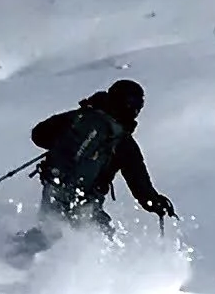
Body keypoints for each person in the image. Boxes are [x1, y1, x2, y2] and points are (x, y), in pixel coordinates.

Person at [27, 77, 175, 233]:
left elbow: (39, 135)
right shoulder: (123, 141)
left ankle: (21, 246)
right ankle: (29, 246)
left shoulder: (81, 117)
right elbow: (138, 180)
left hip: (55, 186)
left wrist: (65, 143)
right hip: (88, 199)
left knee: (51, 231)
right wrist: (155, 202)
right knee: (98, 237)